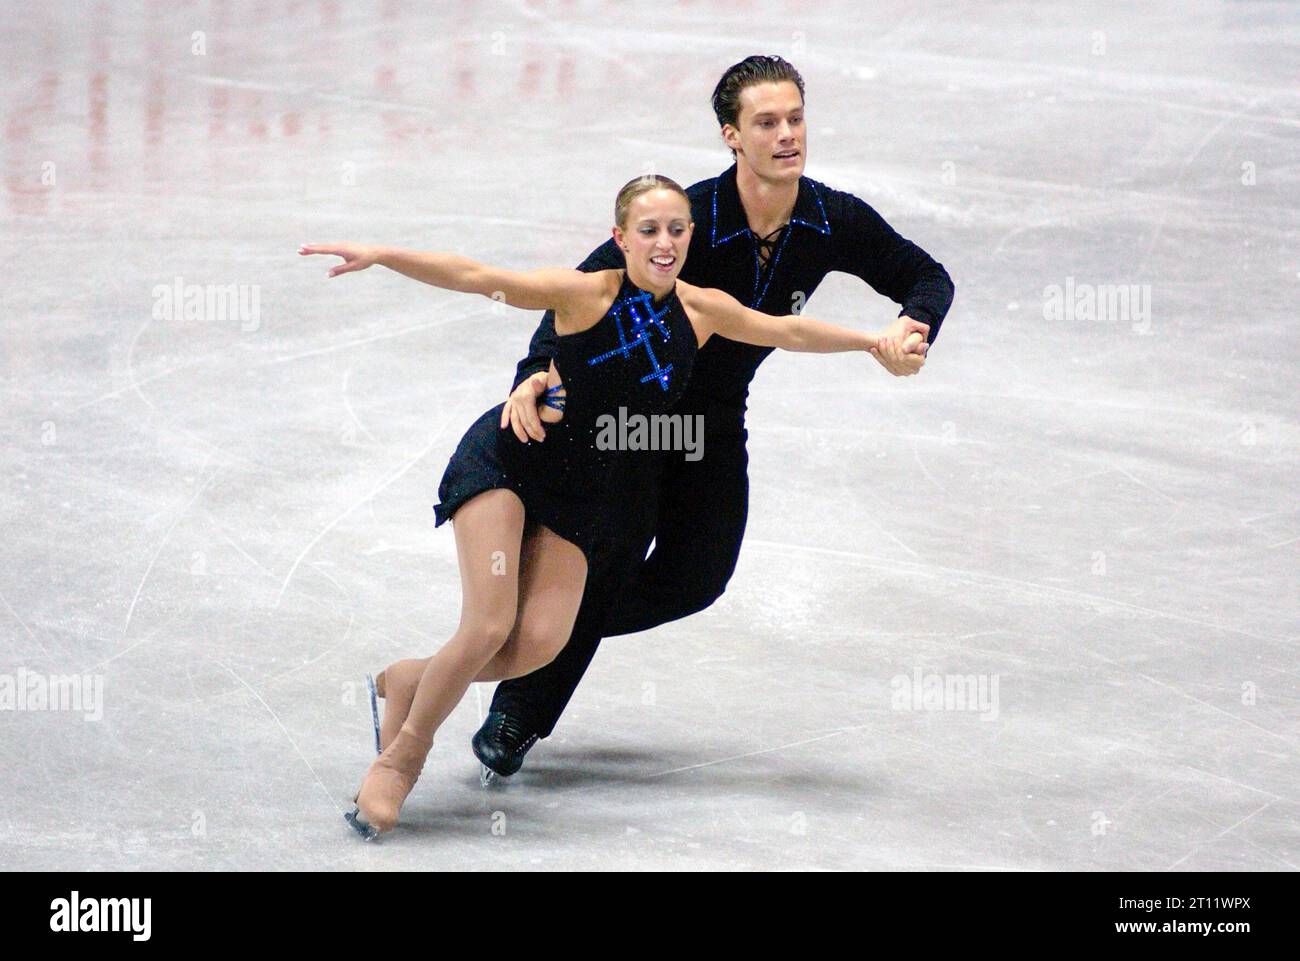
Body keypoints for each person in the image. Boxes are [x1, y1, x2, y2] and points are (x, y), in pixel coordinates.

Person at [299, 174, 929, 837]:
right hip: (510, 462)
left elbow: (788, 329)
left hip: (581, 494)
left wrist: (872, 342)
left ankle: (409, 680)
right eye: (649, 230)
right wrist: (385, 254)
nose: (665, 243)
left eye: (677, 229)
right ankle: (400, 761)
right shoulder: (585, 294)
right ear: (619, 238)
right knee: (488, 626)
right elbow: (477, 273)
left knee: (540, 644)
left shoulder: (703, 309)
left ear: (692, 236)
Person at [446, 55, 955, 782]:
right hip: (629, 418)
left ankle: (544, 627)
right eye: (766, 122)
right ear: (731, 136)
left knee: (697, 576)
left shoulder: (828, 219)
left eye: (796, 118)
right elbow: (584, 291)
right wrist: (533, 373)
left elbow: (926, 274)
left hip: (712, 421)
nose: (787, 135)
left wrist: (913, 325)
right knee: (615, 550)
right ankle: (519, 706)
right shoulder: (686, 219)